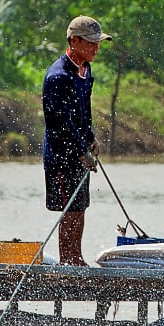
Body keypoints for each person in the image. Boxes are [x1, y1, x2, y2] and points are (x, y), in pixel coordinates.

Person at [42, 15, 109, 264]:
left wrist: (90, 138)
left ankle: (76, 258)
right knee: (70, 209)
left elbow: (83, 113)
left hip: (80, 151)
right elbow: (60, 124)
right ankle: (68, 261)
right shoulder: (58, 77)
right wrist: (81, 151)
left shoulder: (84, 69)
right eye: (90, 43)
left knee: (80, 206)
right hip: (61, 155)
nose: (95, 48)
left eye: (97, 42)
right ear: (74, 41)